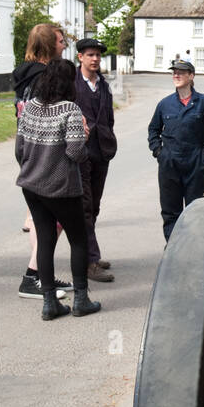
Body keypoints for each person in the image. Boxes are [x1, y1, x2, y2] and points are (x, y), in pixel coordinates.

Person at [15, 57, 101, 321]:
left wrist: (35, 166)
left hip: (31, 186)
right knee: (78, 240)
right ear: (69, 82)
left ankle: (50, 303)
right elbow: (75, 153)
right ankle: (82, 300)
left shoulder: (29, 108)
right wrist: (84, 140)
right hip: (62, 187)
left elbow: (19, 150)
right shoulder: (70, 111)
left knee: (45, 240)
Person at [14, 24, 72, 299]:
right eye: (60, 41)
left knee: (41, 218)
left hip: (28, 151)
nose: (64, 45)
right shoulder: (44, 77)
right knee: (52, 219)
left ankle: (41, 275)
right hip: (46, 153)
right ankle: (33, 276)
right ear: (50, 45)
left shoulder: (23, 75)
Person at [147, 60, 204, 241]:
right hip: (169, 163)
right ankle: (172, 247)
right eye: (174, 72)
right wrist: (159, 153)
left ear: (191, 76)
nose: (176, 75)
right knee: (170, 211)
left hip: (195, 163)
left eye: (181, 72)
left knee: (196, 210)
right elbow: (153, 130)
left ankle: (193, 248)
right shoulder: (165, 104)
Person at [75, 38, 117, 283]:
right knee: (85, 207)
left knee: (95, 206)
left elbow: (108, 117)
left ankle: (88, 253)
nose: (95, 59)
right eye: (90, 55)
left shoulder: (103, 85)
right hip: (80, 152)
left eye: (98, 56)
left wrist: (109, 137)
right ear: (80, 56)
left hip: (101, 151)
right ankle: (90, 260)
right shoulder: (72, 84)